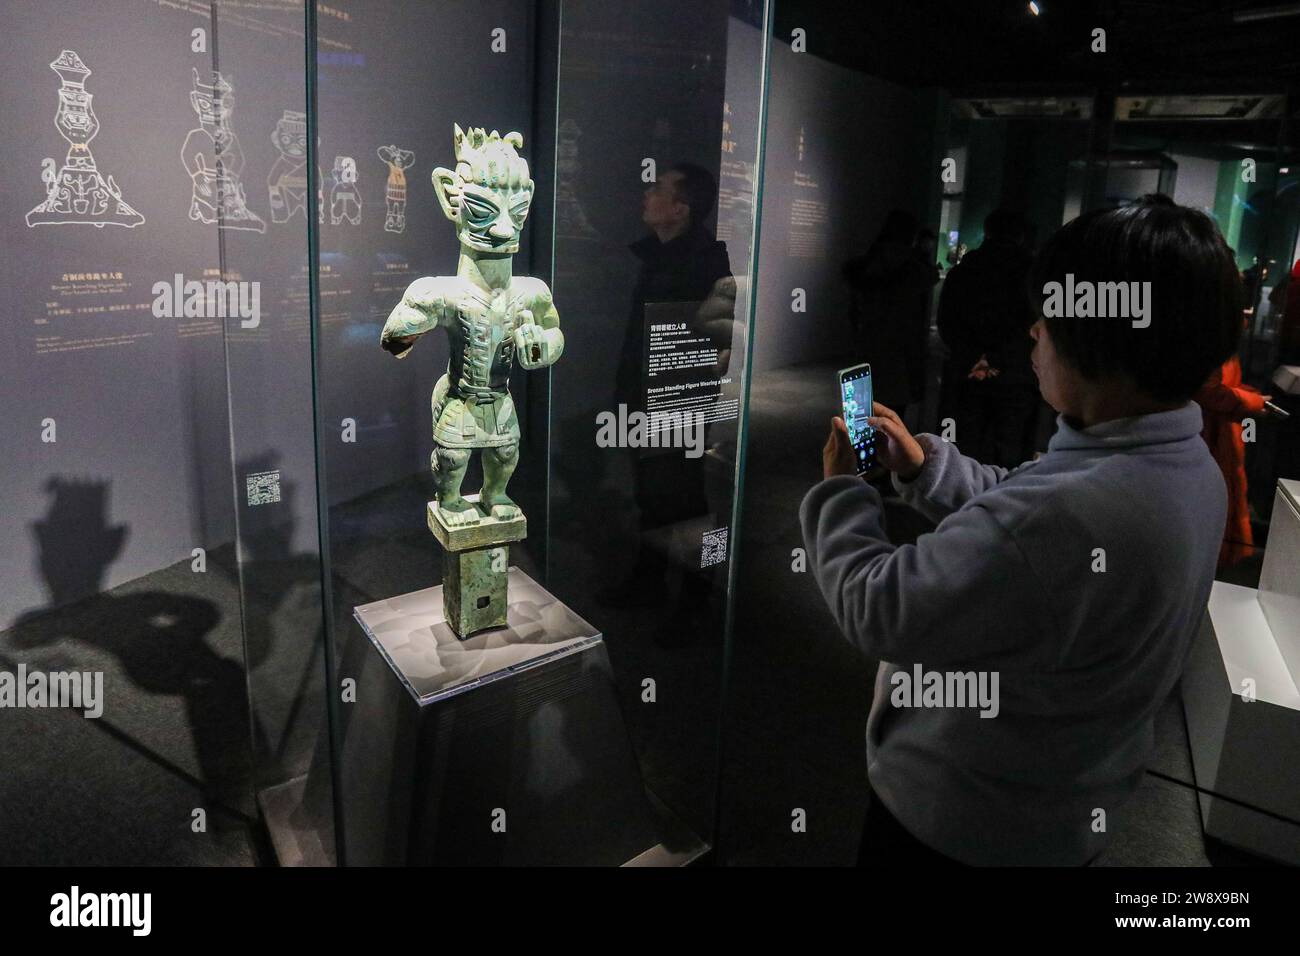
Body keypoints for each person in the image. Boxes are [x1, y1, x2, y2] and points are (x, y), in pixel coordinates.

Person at [800, 195, 1242, 866]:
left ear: (1102, 340)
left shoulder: (1064, 518)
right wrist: (927, 468)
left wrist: (842, 493)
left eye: (1049, 318)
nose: (1034, 332)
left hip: (959, 824)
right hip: (1058, 811)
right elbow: (1027, 509)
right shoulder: (1186, 466)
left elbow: (877, 605)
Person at [936, 208, 1041, 468]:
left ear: (988, 232)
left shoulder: (964, 272)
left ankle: (962, 498)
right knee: (1010, 445)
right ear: (1020, 235)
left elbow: (947, 321)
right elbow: (1032, 326)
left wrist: (974, 358)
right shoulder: (1032, 274)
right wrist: (998, 359)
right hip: (1015, 374)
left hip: (968, 371)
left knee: (964, 442)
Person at [842, 210, 938, 418]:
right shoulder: (912, 268)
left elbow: (854, 310)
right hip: (898, 351)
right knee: (893, 416)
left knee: (863, 413)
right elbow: (928, 277)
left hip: (869, 346)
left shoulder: (868, 263)